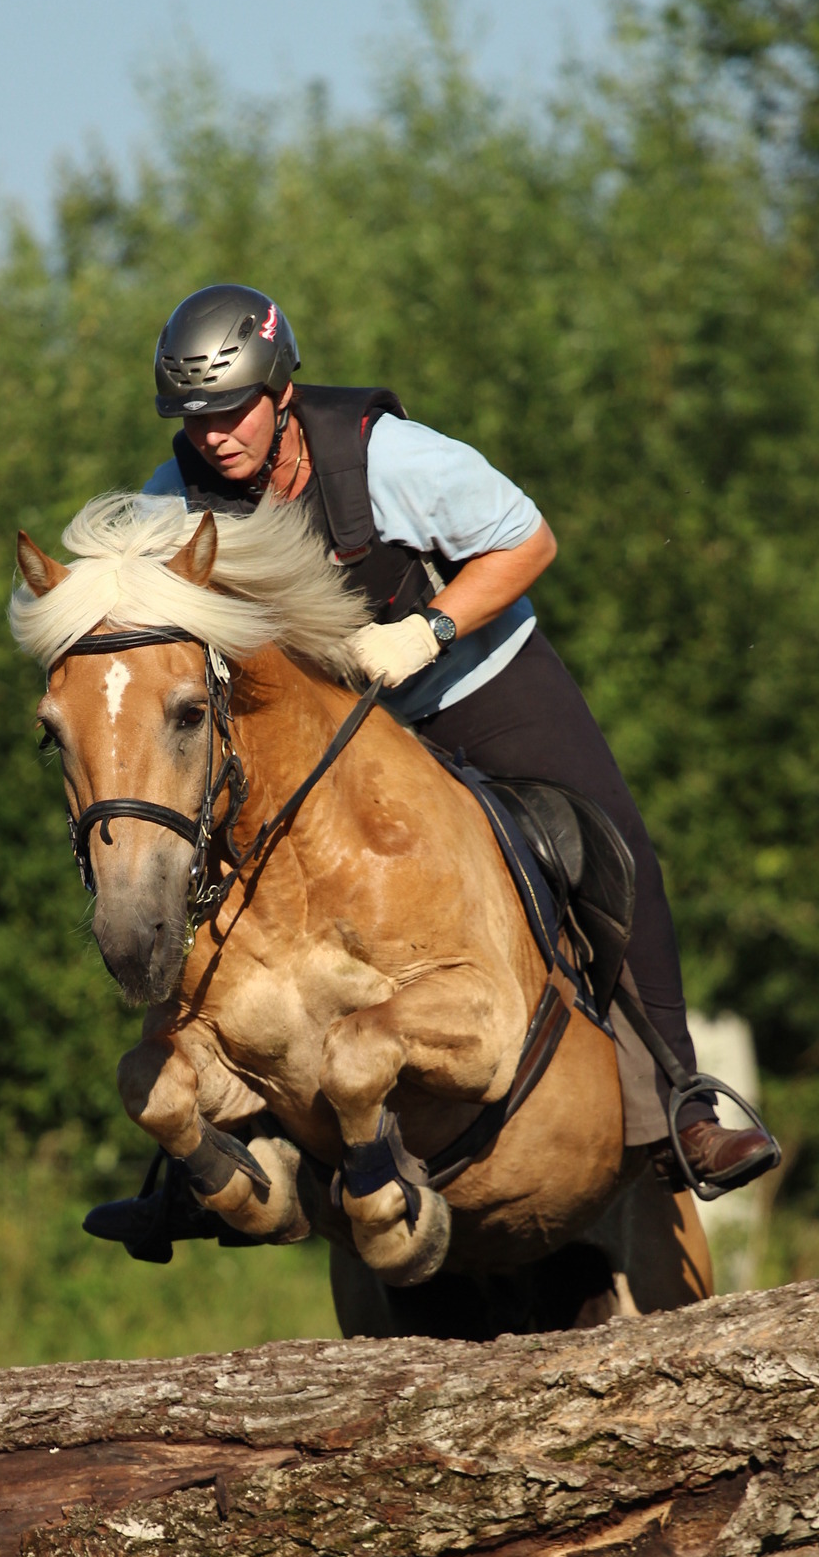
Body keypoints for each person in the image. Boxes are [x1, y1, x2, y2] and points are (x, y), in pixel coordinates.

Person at [144, 283, 776, 1192]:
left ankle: (680, 1110)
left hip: (478, 682)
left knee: (609, 841)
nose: (215, 437)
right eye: (194, 419)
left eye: (232, 411)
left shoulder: (387, 457)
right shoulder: (173, 499)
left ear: (281, 391)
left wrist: (429, 630)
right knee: (212, 872)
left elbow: (528, 541)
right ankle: (184, 1156)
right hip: (336, 735)